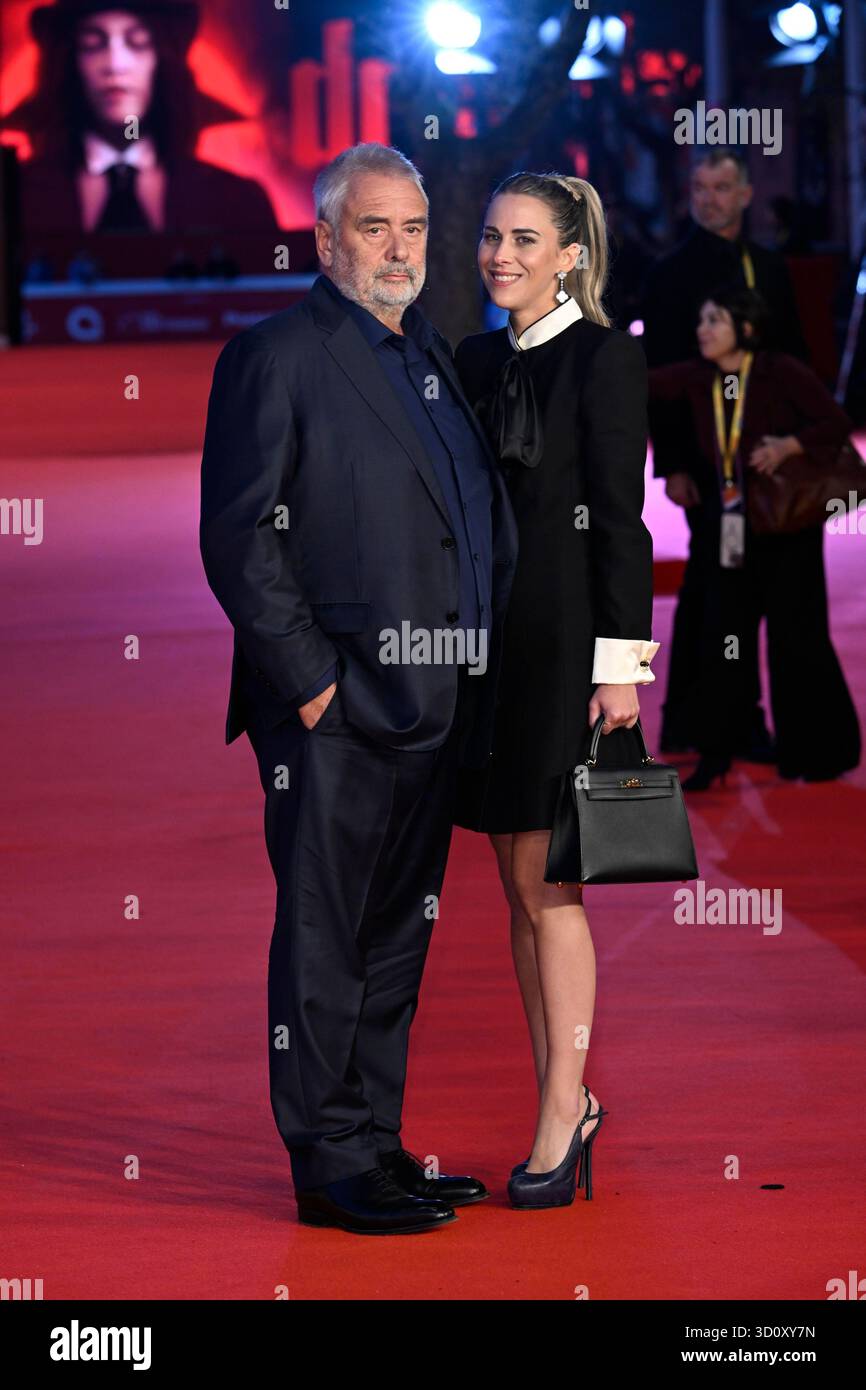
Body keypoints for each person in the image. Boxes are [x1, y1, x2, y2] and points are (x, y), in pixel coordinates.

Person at [200, 142, 519, 1235]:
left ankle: (375, 1144)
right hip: (334, 713)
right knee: (326, 938)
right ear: (327, 236)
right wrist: (310, 688)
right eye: (374, 227)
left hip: (434, 701)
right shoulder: (275, 356)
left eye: (414, 229)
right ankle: (327, 1163)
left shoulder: (428, 354)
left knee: (395, 938)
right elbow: (239, 538)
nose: (398, 249)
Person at [453, 171, 660, 1209]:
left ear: (570, 254)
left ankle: (560, 1109)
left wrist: (620, 672)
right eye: (490, 236)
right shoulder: (473, 357)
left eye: (523, 240)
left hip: (568, 657)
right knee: (514, 890)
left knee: (553, 893)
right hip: (485, 656)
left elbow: (621, 522)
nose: (498, 255)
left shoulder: (605, 359)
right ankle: (561, 1096)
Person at [649, 287, 860, 788]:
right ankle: (716, 752)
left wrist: (789, 444)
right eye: (702, 319)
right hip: (731, 531)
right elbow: (640, 381)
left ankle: (814, 750)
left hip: (787, 530)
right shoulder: (699, 378)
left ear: (745, 328)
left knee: (797, 639)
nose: (703, 329)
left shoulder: (778, 371)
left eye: (715, 319)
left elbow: (834, 422)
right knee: (725, 640)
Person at [641, 148, 808, 757]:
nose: (709, 198)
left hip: (766, 465)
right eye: (700, 187)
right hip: (707, 468)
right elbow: (659, 378)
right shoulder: (668, 275)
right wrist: (676, 466)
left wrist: (795, 444)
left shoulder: (771, 267)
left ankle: (736, 721)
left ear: (745, 194)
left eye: (722, 187)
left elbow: (794, 363)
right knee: (716, 590)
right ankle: (703, 722)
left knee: (751, 590)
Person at [17, 1, 278, 236]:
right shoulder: (17, 197)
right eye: (93, 44)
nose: (115, 64)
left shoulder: (237, 200)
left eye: (138, 42)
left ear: (162, 60)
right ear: (69, 63)